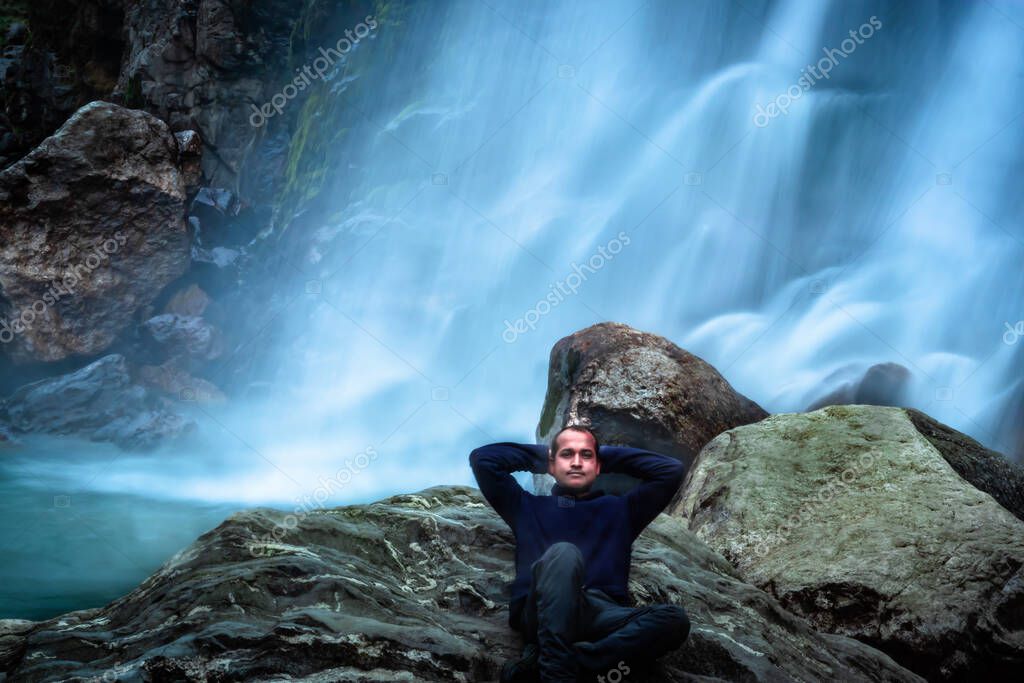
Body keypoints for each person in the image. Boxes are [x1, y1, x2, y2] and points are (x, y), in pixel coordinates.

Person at [469, 424, 691, 682]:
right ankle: (558, 675)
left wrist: (599, 455)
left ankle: (560, 664)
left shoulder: (621, 510)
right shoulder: (526, 507)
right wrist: (548, 456)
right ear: (552, 465)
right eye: (567, 455)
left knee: (674, 620)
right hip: (543, 608)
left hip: (600, 613)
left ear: (598, 466)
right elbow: (484, 460)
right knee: (564, 553)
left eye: (586, 455)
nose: (576, 462)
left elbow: (670, 470)